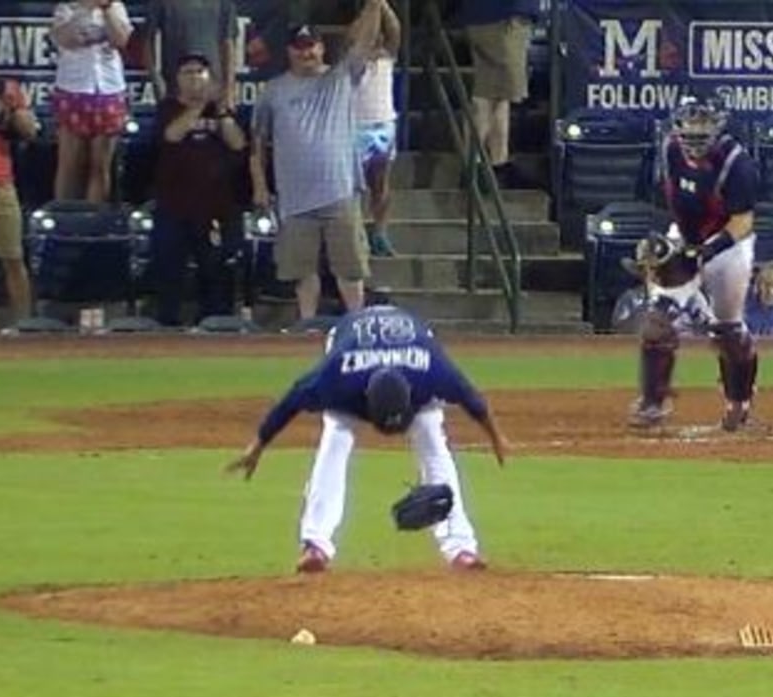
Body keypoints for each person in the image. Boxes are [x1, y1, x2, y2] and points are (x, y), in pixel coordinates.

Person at [226, 304, 511, 574]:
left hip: (412, 347)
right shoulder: (335, 379)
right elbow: (289, 402)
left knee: (433, 441)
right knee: (335, 438)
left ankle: (461, 548)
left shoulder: (432, 372)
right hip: (350, 341)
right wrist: (257, 446)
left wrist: (497, 438)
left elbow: (473, 400)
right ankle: (316, 545)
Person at [628, 96, 761, 432]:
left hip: (729, 246)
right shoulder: (670, 149)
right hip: (685, 237)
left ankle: (738, 399)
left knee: (728, 331)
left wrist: (708, 250)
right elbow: (672, 198)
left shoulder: (736, 163)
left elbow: (742, 221)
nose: (695, 133)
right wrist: (668, 244)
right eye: (690, 124)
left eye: (703, 124)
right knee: (658, 321)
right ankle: (652, 402)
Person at [250, 3, 383, 322]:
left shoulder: (340, 78)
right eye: (299, 47)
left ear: (322, 49)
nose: (305, 53)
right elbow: (257, 144)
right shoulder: (273, 91)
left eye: (311, 46)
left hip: (339, 190)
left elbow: (362, 42)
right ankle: (307, 325)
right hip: (294, 197)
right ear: (289, 52)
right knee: (301, 271)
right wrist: (259, 184)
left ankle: (357, 326)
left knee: (350, 269)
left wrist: (375, 5)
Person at [149, 53, 246, 327]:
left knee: (215, 272)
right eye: (188, 73)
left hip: (215, 208)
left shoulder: (222, 110)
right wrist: (197, 107)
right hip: (173, 206)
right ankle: (166, 327)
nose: (194, 78)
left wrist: (221, 111)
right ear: (177, 79)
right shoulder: (167, 109)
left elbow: (238, 144)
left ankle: (216, 326)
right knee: (169, 271)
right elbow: (171, 135)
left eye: (200, 72)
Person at [0, 26, 38, 331]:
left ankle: (23, 325)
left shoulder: (4, 87)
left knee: (13, 258)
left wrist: (11, 110)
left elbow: (30, 132)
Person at [50, 0, 133, 202]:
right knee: (70, 163)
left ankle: (93, 217)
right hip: (73, 88)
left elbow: (120, 40)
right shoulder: (66, 9)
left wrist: (106, 10)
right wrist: (85, 10)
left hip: (109, 89)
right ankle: (65, 216)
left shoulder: (116, 8)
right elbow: (65, 39)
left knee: (100, 165)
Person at [454, 0, 540, 189]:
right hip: (500, 16)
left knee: (499, 93)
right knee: (488, 96)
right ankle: (473, 166)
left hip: (501, 16)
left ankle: (497, 162)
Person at [355, 0, 401, 257]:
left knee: (380, 184)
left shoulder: (386, 57)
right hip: (355, 127)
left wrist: (381, 4)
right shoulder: (352, 58)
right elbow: (355, 35)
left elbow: (396, 30)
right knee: (352, 185)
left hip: (383, 125)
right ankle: (355, 232)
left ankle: (380, 233)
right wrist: (370, 10)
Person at [145, 0, 239, 110]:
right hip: (175, 91)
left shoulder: (224, 3)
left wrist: (229, 91)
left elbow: (228, 44)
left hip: (213, 91)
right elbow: (147, 41)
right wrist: (156, 79)